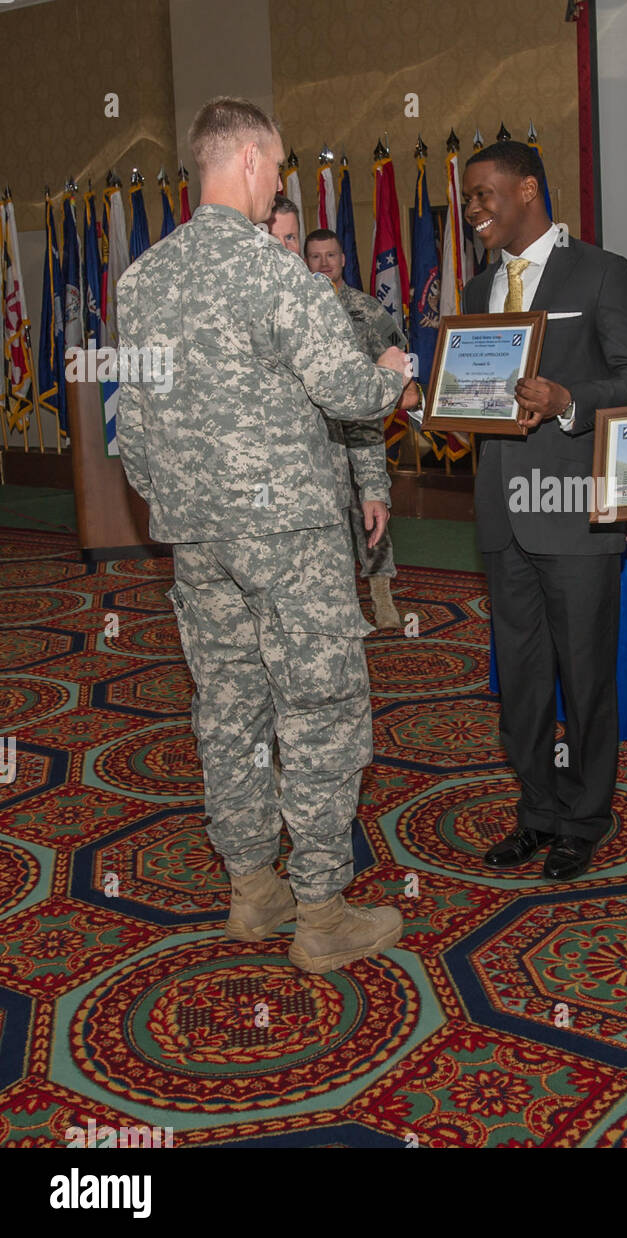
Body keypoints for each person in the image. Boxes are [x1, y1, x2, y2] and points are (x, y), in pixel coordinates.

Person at [115, 96, 414, 975]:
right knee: (320, 707)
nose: (277, 181)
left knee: (229, 706)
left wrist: (179, 503)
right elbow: (348, 394)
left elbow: (133, 428)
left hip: (194, 536)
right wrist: (390, 373)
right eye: (277, 166)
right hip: (288, 533)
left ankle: (252, 888)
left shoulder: (142, 281)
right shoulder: (275, 274)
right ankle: (320, 909)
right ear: (248, 160)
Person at [463, 141, 627, 880]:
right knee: (520, 681)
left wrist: (569, 400)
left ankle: (584, 819)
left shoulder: (603, 272)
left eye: (483, 195)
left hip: (574, 508)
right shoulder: (478, 288)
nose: (472, 210)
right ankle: (538, 812)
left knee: (584, 678)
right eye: (468, 199)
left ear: (527, 190)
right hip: (501, 511)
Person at [305, 223, 412, 630]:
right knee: (326, 514)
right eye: (315, 257)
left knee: (371, 506)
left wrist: (405, 386)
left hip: (361, 425)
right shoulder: (300, 311)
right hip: (318, 431)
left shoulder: (365, 308)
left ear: (343, 259)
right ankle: (334, 602)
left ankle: (381, 594)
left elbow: (399, 351)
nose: (324, 263)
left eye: (330, 255)